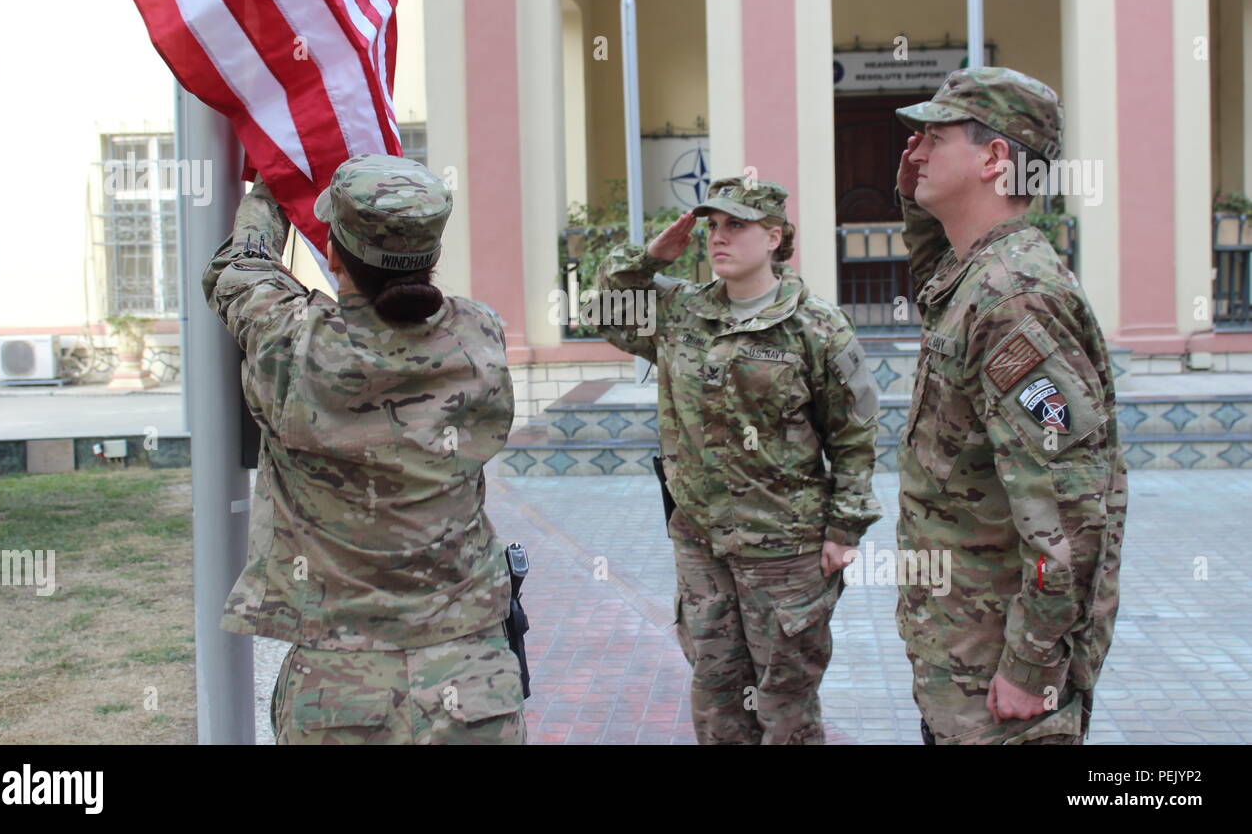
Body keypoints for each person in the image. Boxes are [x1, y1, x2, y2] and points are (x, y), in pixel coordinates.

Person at [202, 153, 525, 745]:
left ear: (331, 252)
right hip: (471, 676)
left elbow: (242, 266)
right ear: (433, 253)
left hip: (339, 686)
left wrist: (273, 176)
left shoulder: (291, 340)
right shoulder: (479, 334)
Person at [592, 177, 882, 744]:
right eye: (713, 226)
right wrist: (649, 259)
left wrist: (845, 528)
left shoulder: (815, 326)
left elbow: (853, 433)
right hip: (701, 541)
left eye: (737, 226)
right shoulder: (680, 310)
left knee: (785, 703)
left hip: (785, 547)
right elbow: (605, 311)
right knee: (716, 694)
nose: (719, 238)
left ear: (774, 236)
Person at [893, 67, 1128, 744]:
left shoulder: (1014, 297)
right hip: (962, 656)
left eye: (933, 137)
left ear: (995, 158)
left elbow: (1069, 508)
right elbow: (933, 271)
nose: (914, 151)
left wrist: (1032, 664)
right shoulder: (975, 275)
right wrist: (916, 197)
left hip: (1000, 681)